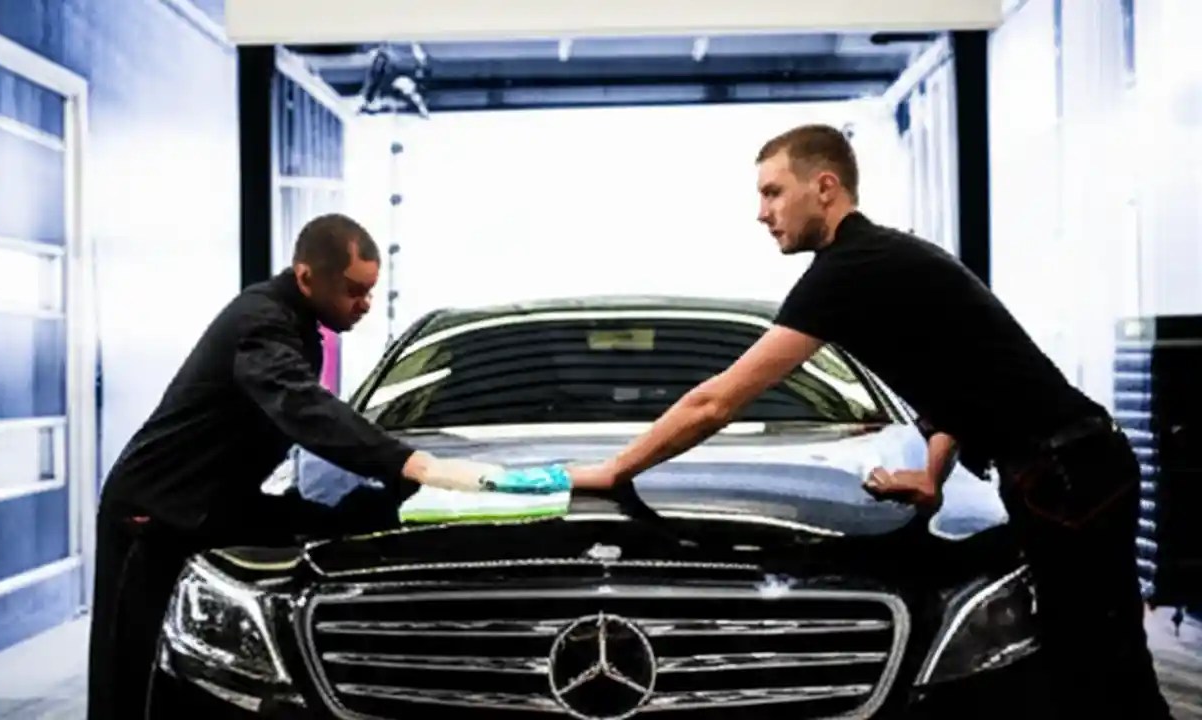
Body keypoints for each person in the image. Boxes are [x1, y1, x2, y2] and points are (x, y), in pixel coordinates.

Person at [562, 124, 1173, 718]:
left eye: (772, 191)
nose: (760, 212)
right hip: (1069, 467)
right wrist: (931, 476)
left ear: (824, 187)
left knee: (1095, 668)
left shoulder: (849, 270)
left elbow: (717, 402)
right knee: (1096, 662)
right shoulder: (884, 256)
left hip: (1066, 475)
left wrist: (616, 469)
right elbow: (957, 380)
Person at [86, 213, 504, 720]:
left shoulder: (298, 323)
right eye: (354, 291)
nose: (365, 305)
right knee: (135, 674)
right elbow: (303, 407)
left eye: (371, 291)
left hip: (219, 503)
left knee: (340, 519)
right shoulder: (258, 322)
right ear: (307, 277)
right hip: (156, 510)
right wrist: (415, 464)